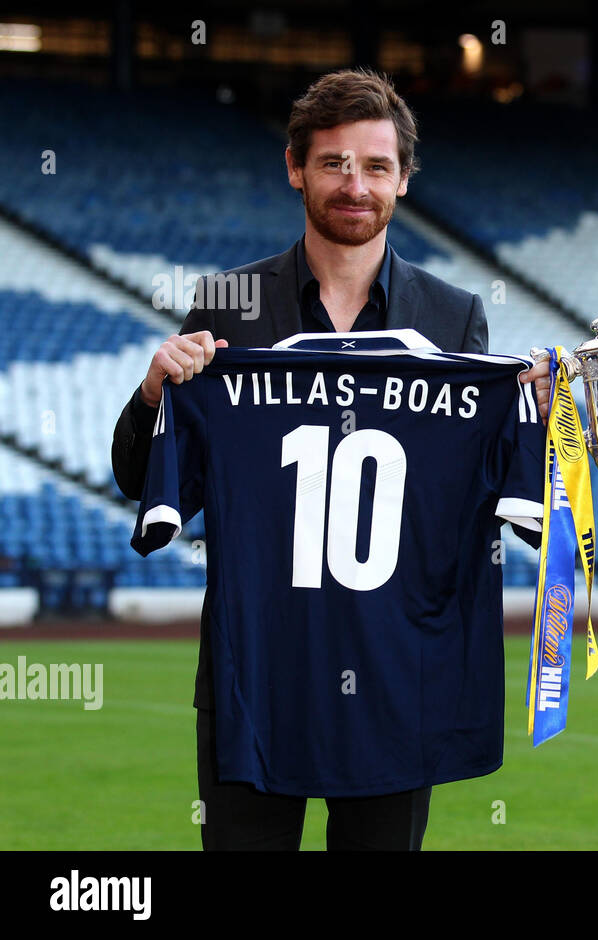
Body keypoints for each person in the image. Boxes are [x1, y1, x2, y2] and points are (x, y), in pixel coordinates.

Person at [111, 67, 548, 850]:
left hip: (397, 671)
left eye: (377, 165)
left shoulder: (456, 318)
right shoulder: (227, 305)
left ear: (404, 180)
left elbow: (500, 503)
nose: (356, 184)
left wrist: (540, 422)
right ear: (295, 169)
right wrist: (153, 394)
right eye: (334, 162)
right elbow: (139, 481)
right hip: (257, 672)